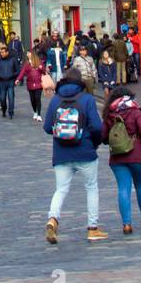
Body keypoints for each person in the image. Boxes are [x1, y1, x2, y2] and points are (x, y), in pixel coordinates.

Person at [42, 71, 108, 244]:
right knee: (91, 188)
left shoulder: (56, 100)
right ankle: (92, 229)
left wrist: (61, 133)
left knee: (61, 189)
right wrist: (94, 144)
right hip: (85, 151)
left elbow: (48, 127)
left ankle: (53, 219)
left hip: (61, 153)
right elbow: (96, 127)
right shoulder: (86, 99)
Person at [102, 86, 141, 234]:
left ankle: (126, 224)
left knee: (123, 189)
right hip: (137, 154)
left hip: (118, 157)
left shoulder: (110, 114)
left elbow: (103, 136)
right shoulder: (135, 111)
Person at [19, 51, 48, 121]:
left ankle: (39, 114)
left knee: (38, 98)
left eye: (28, 53)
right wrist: (18, 79)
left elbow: (44, 72)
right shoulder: (27, 64)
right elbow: (22, 72)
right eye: (27, 53)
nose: (27, 54)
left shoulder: (39, 62)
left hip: (38, 84)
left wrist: (41, 68)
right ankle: (35, 111)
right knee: (33, 100)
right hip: (30, 84)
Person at [0, 45, 20, 119]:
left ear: (7, 52)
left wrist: (12, 75)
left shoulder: (13, 60)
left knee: (11, 97)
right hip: (2, 82)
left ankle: (11, 112)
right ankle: (4, 110)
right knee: (2, 98)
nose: (2, 54)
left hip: (10, 81)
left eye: (3, 52)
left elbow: (18, 70)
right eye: (1, 52)